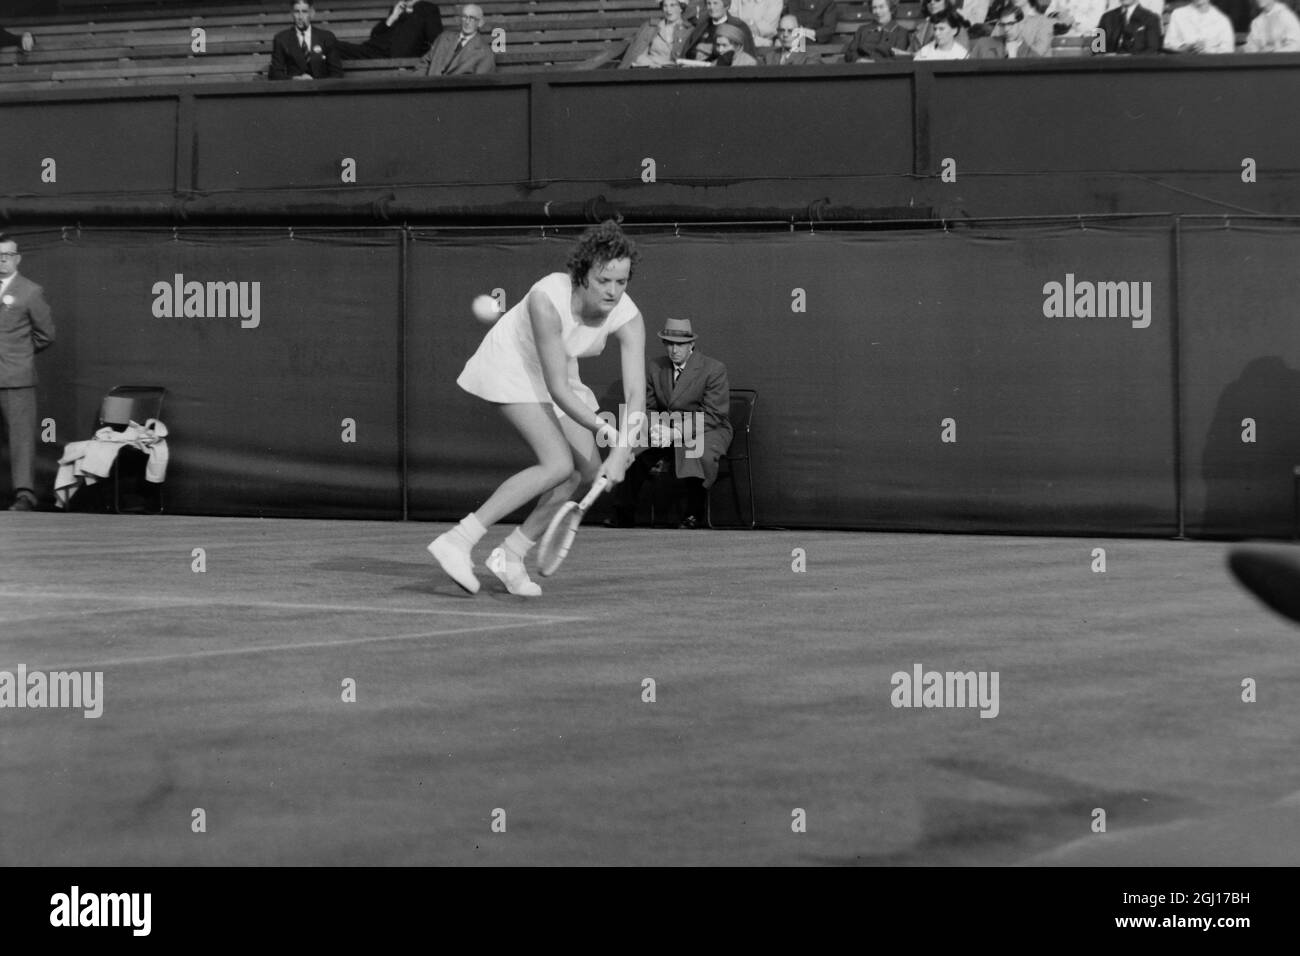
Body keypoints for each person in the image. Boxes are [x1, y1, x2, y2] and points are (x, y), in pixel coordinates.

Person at [428, 222, 646, 596]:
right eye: (603, 280)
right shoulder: (545, 299)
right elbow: (559, 391)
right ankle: (458, 540)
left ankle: (511, 554)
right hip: (512, 365)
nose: (613, 291)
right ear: (581, 275)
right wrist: (610, 433)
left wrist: (623, 448)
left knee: (588, 472)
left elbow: (635, 392)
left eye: (621, 282)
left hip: (559, 368)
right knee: (558, 465)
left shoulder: (628, 317)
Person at [609, 318, 732, 529]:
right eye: (669, 343)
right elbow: (645, 406)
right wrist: (656, 428)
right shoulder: (655, 367)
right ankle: (623, 512)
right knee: (633, 448)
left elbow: (714, 414)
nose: (674, 349)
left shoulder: (713, 369)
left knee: (695, 451)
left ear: (691, 344)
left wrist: (675, 433)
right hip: (663, 426)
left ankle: (693, 514)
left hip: (705, 428)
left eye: (680, 344)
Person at [0, 234, 55, 512]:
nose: (2, 261)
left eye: (7, 255)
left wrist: (18, 356)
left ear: (17, 258)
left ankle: (25, 495)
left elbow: (45, 335)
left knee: (21, 438)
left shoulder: (30, 291)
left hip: (16, 378)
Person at [338, 1, 443, 60]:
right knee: (333, 45)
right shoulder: (397, 8)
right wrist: (392, 17)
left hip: (396, 55)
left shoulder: (428, 9)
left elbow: (436, 39)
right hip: (372, 50)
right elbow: (375, 35)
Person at [268, 0, 344, 80]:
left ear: (312, 13)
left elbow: (337, 73)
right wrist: (295, 79)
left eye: (304, 12)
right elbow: (275, 74)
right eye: (297, 12)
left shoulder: (326, 37)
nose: (300, 17)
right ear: (292, 14)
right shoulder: (281, 39)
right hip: (295, 89)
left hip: (321, 89)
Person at [419, 4, 496, 75]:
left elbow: (481, 83)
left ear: (480, 23)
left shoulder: (485, 53)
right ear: (460, 19)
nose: (467, 21)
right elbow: (424, 63)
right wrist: (417, 85)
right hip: (430, 86)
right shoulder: (443, 38)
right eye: (464, 17)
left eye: (472, 18)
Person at [622, 0, 694, 68]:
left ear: (681, 8)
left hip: (677, 73)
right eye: (665, 6)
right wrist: (651, 64)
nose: (668, 10)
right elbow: (638, 55)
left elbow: (692, 58)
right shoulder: (651, 26)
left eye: (672, 5)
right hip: (651, 69)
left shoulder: (689, 30)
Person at [683, 0, 758, 61]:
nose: (712, 7)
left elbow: (746, 57)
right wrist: (697, 52)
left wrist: (712, 49)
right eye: (709, 3)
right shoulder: (702, 26)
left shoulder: (739, 26)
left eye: (715, 3)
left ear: (726, 6)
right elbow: (688, 51)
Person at [844, 0, 913, 61]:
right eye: (874, 8)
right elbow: (850, 53)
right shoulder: (863, 30)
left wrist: (873, 63)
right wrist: (858, 60)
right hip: (860, 70)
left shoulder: (901, 33)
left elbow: (898, 59)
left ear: (891, 9)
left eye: (881, 7)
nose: (877, 11)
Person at [1164, 0, 1235, 52]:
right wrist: (1186, 48)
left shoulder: (1222, 20)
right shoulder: (1178, 14)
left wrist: (1208, 50)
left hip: (1211, 68)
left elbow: (1228, 51)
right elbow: (1168, 45)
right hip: (1183, 65)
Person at [1097, 0, 1162, 54]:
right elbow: (1097, 48)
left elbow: (1152, 50)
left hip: (1136, 66)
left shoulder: (1151, 18)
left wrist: (1128, 57)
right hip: (1108, 65)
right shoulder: (1106, 17)